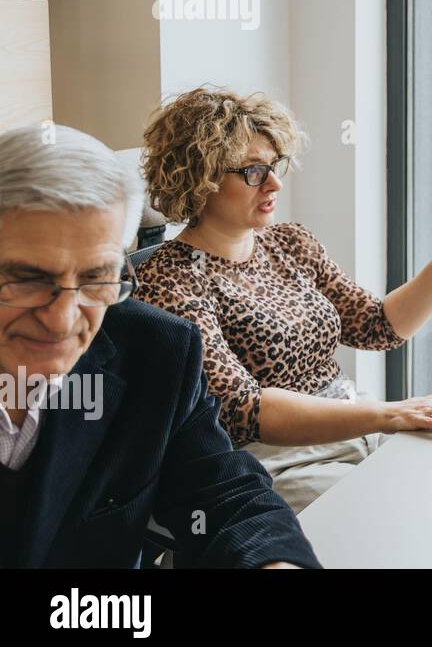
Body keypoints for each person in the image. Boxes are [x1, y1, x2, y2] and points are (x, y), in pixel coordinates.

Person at [134, 87, 432, 513]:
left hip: (355, 426)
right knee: (394, 520)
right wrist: (387, 413)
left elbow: (378, 325)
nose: (275, 182)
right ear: (199, 177)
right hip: (272, 460)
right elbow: (246, 410)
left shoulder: (290, 243)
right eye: (253, 171)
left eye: (275, 165)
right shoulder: (170, 280)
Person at [0, 124, 318, 568]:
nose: (63, 319)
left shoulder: (156, 349)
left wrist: (275, 564)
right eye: (29, 279)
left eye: (96, 278)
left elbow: (222, 495)